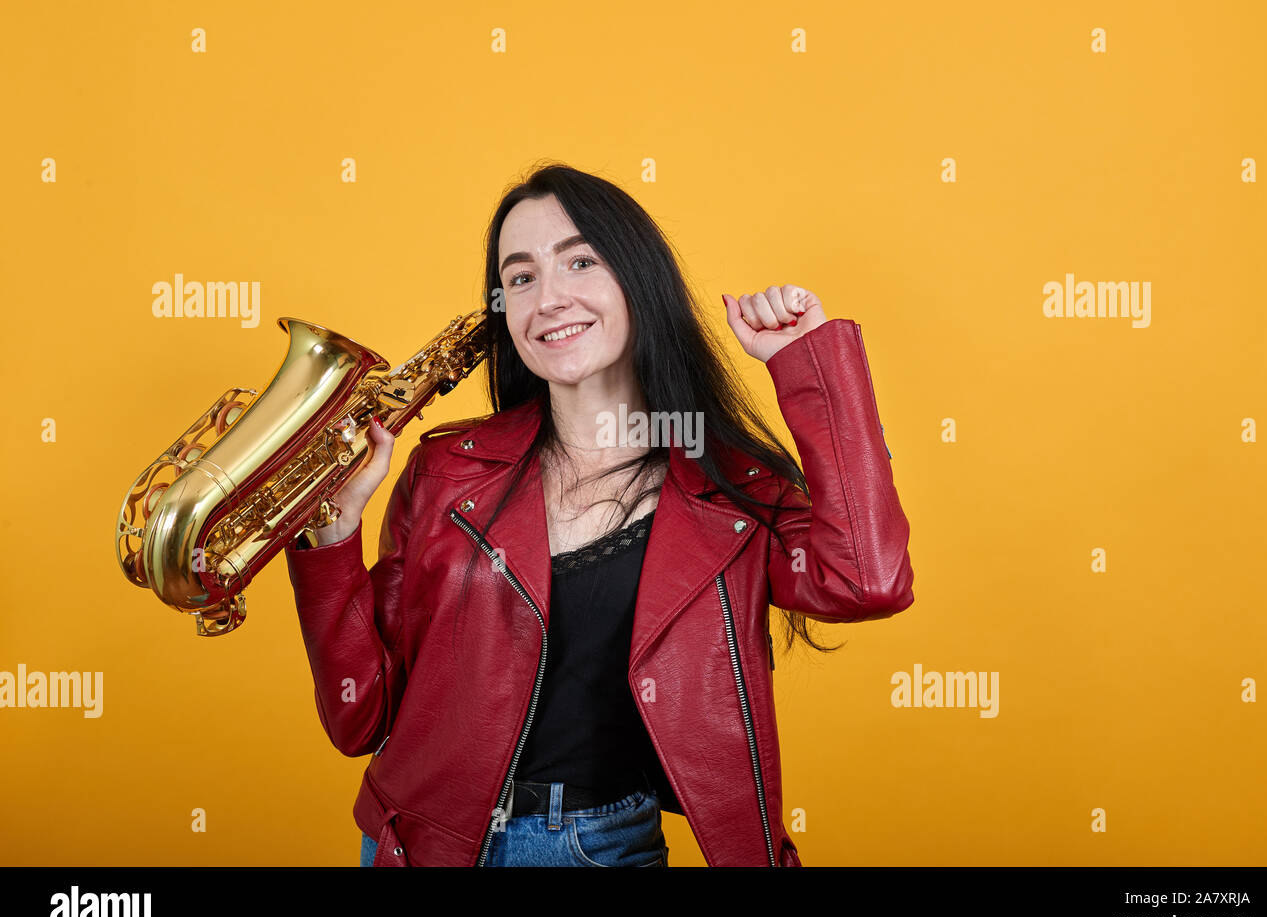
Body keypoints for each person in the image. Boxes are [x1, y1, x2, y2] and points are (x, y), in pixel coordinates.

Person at [284, 162, 915, 867]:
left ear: (638, 281)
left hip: (599, 851)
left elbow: (868, 582)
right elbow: (358, 716)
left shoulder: (733, 493)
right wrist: (331, 534)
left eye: (579, 261)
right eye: (520, 277)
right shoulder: (446, 469)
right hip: (413, 847)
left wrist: (807, 363)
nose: (548, 299)